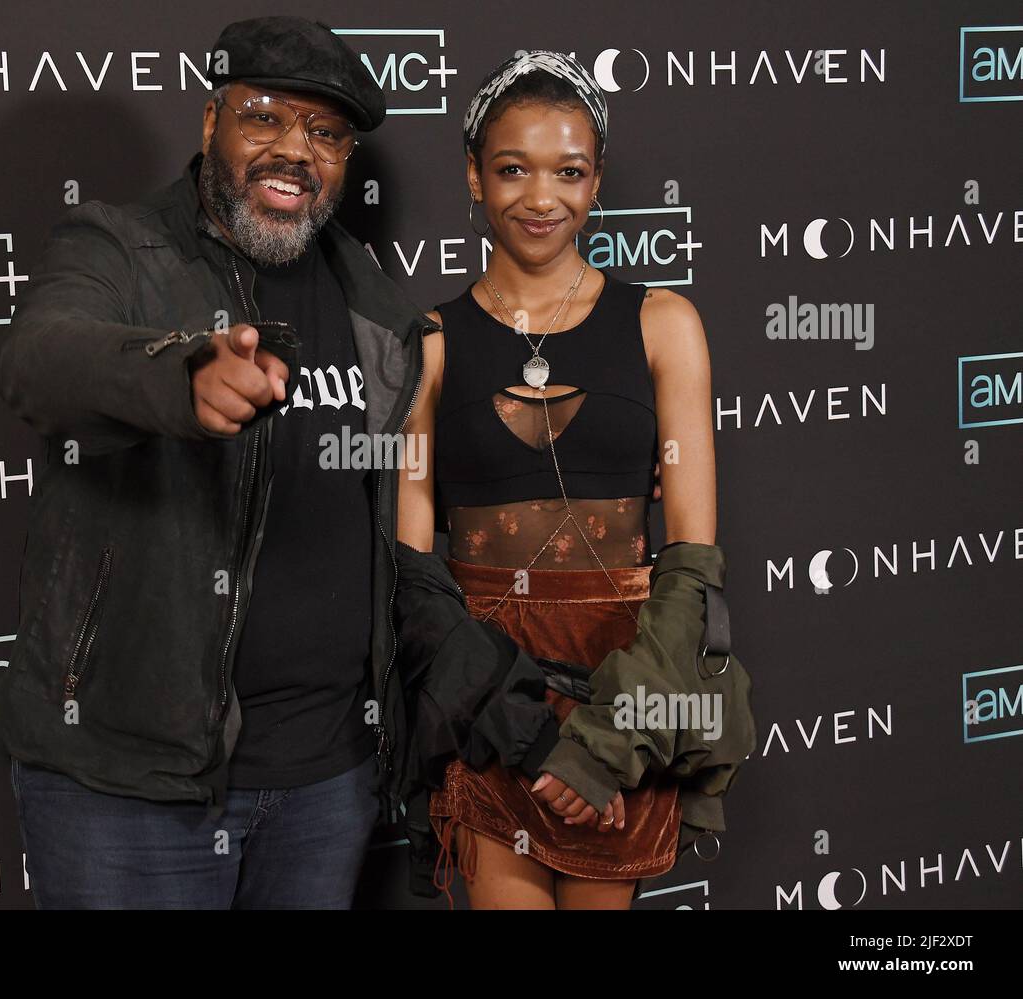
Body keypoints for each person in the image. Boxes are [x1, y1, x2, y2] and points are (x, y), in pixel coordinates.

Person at [0, 16, 439, 909]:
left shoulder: (378, 305)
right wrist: (180, 375)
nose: (294, 150)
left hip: (326, 780)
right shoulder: (118, 245)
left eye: (325, 133)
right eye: (265, 117)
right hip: (132, 782)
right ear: (210, 123)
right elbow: (39, 358)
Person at [394, 50, 753, 909]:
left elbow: (692, 561)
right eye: (512, 169)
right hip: (484, 689)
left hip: (625, 676)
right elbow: (413, 574)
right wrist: (511, 720)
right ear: (474, 178)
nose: (540, 197)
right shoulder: (428, 342)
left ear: (596, 184)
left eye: (569, 171)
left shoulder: (666, 324)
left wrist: (607, 739)